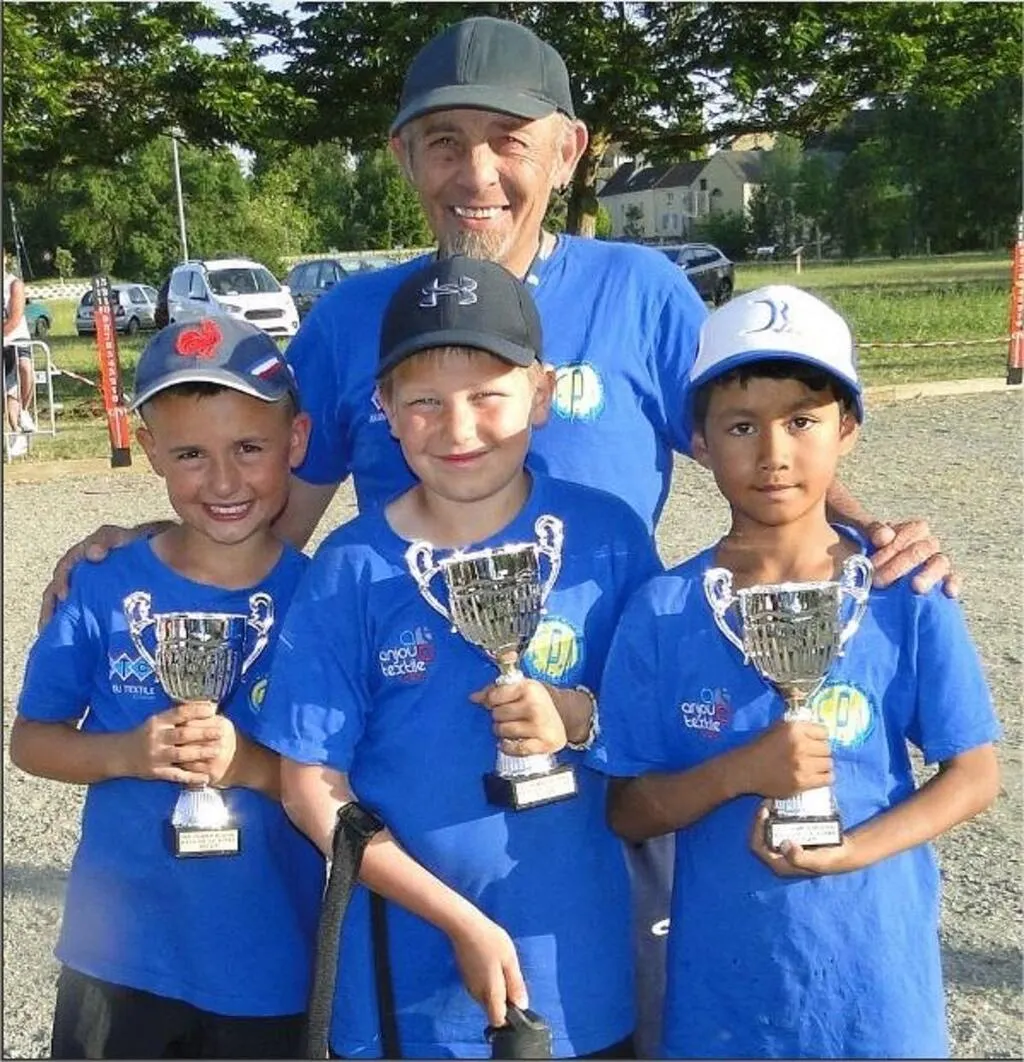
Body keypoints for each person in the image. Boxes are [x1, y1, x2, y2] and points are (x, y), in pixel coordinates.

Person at [35, 15, 958, 1056]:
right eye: (444, 142)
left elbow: (758, 437)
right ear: (403, 156)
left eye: (509, 140)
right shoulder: (356, 321)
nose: (475, 172)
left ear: (566, 150)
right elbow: (265, 517)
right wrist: (152, 549)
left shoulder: (641, 294)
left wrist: (868, 530)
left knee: (607, 1012)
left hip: (606, 771)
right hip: (418, 805)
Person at [254, 254, 662, 1058]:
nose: (459, 428)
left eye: (488, 396)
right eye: (425, 403)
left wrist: (577, 714)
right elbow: (309, 787)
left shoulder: (606, 539)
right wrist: (458, 921)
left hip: (580, 976)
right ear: (384, 409)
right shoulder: (352, 566)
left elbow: (662, 730)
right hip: (404, 986)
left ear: (541, 393)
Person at [589, 285, 1001, 1059]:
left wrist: (853, 851)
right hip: (724, 1007)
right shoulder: (664, 609)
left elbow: (974, 774)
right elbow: (628, 811)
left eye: (802, 420)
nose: (773, 453)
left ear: (848, 429)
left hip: (876, 993)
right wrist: (739, 772)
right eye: (741, 425)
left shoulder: (904, 592)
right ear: (700, 441)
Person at [10, 318, 325, 1059]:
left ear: (296, 440)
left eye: (248, 448)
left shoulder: (323, 601)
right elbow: (31, 741)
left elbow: (351, 779)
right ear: (150, 450)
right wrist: (127, 753)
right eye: (190, 454)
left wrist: (249, 766)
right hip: (117, 959)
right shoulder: (102, 586)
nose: (223, 481)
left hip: (267, 962)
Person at [4, 250, 35, 456]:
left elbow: (14, 319)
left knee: (24, 367)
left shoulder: (14, 284)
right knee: (7, 389)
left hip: (17, 338)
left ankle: (25, 411)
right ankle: (16, 432)